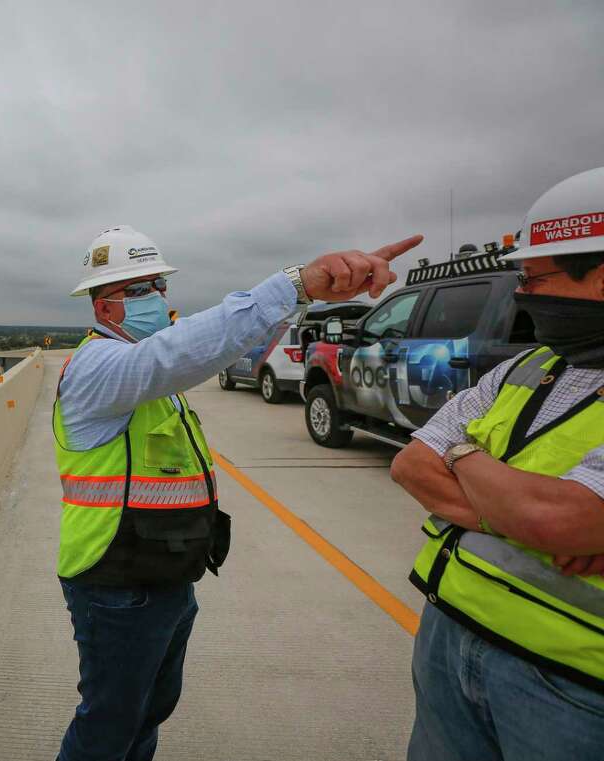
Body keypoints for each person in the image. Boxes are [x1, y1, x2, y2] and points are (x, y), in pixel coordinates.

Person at [54, 225, 422, 761]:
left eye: (157, 285)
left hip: (163, 573)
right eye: (137, 289)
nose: (155, 298)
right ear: (102, 306)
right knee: (108, 727)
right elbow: (184, 349)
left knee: (146, 713)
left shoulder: (148, 378)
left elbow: (213, 347)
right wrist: (298, 285)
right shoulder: (101, 368)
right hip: (116, 582)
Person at [391, 167, 604, 759]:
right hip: (451, 629)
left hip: (573, 682)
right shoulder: (531, 364)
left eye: (535, 277)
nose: (522, 294)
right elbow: (411, 465)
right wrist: (523, 517)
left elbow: (559, 520)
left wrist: (460, 454)